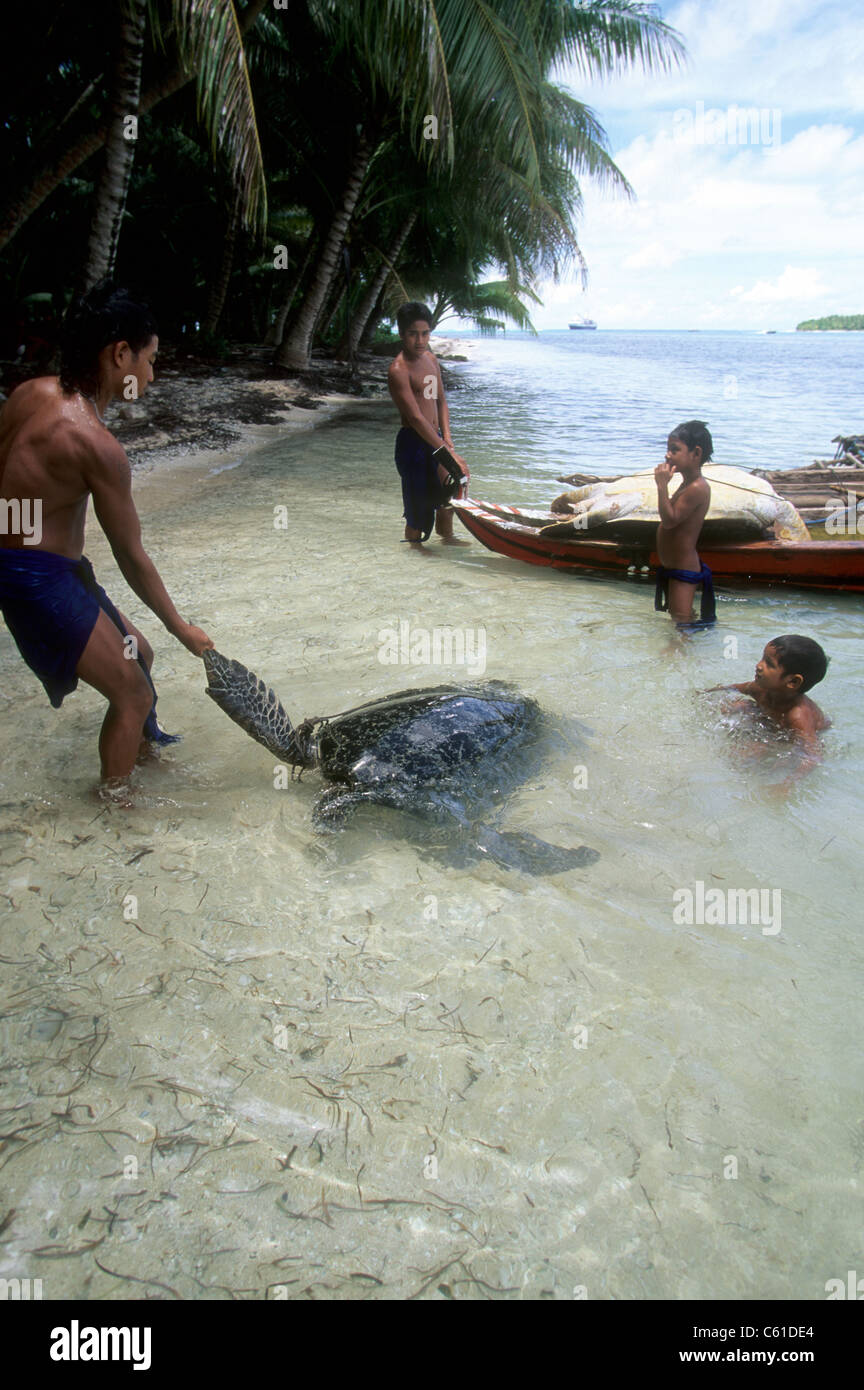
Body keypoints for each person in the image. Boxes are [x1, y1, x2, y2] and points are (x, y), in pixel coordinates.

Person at [0, 279, 213, 797]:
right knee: (134, 694)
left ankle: (140, 755)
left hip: (42, 569)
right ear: (121, 354)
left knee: (138, 653)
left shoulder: (32, 393)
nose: (152, 375)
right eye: (150, 359)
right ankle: (115, 811)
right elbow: (131, 556)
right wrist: (182, 626)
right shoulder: (96, 446)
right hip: (37, 579)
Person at [387, 301, 470, 548]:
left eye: (425, 333)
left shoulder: (430, 361)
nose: (420, 340)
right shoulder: (399, 370)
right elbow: (415, 418)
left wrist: (448, 439)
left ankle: (447, 538)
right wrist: (445, 451)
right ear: (402, 334)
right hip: (414, 444)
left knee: (453, 488)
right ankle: (415, 549)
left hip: (436, 438)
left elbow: (439, 400)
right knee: (419, 509)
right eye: (413, 334)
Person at [703, 635, 830, 774]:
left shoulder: (797, 716)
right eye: (762, 658)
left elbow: (813, 756)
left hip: (789, 738)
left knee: (758, 748)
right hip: (770, 721)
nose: (759, 666)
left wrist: (787, 785)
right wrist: (706, 692)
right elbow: (735, 688)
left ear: (793, 682)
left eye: (769, 664)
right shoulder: (760, 689)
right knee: (738, 705)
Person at [654, 420, 714, 626]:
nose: (667, 455)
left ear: (696, 453)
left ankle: (681, 655)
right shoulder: (686, 484)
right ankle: (682, 654)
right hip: (675, 566)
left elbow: (670, 521)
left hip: (683, 568)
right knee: (680, 619)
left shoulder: (697, 487)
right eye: (667, 449)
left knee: (681, 625)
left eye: (674, 450)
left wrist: (662, 487)